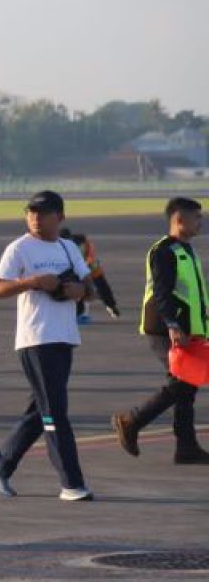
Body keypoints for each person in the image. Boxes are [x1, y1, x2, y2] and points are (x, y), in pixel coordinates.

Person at [0, 190, 94, 502]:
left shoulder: (69, 247)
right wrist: (32, 282)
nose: (34, 218)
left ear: (60, 217)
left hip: (65, 337)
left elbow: (89, 287)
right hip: (36, 339)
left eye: (41, 213)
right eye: (30, 212)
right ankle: (72, 483)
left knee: (41, 410)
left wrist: (76, 290)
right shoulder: (19, 249)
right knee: (55, 412)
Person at [111, 197, 209, 465]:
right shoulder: (164, 251)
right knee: (180, 383)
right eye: (196, 217)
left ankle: (186, 447)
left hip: (189, 330)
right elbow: (162, 293)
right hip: (164, 330)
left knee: (187, 387)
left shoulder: (186, 250)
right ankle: (131, 421)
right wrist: (173, 325)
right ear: (180, 220)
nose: (201, 222)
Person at [61, 228, 120, 319]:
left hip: (91, 268)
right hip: (79, 269)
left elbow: (90, 256)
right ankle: (79, 311)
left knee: (103, 288)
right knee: (77, 288)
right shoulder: (59, 245)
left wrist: (85, 267)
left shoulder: (82, 242)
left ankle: (111, 305)